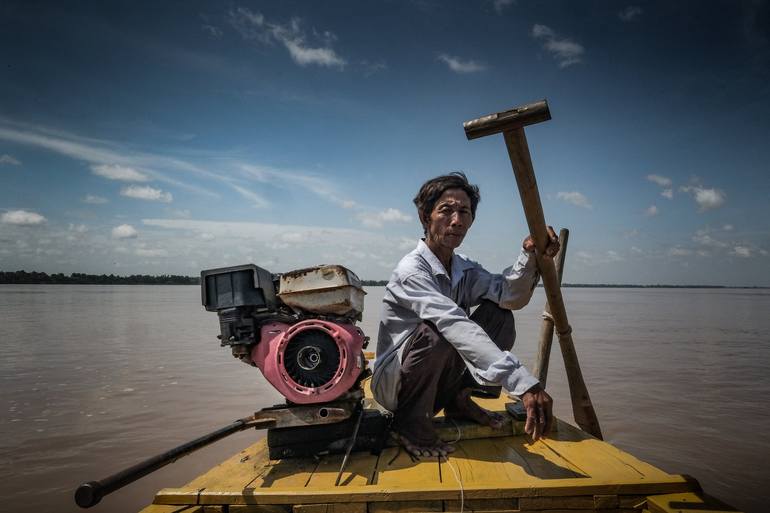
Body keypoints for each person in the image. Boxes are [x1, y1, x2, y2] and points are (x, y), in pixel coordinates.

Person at [371, 172, 558, 458]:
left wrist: (530, 254)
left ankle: (459, 399)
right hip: (398, 389)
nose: (456, 221)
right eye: (446, 211)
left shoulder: (464, 269)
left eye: (464, 212)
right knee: (439, 331)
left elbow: (510, 296)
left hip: (439, 380)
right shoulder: (411, 271)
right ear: (425, 217)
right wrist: (523, 382)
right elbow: (452, 323)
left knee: (500, 315)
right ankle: (409, 422)